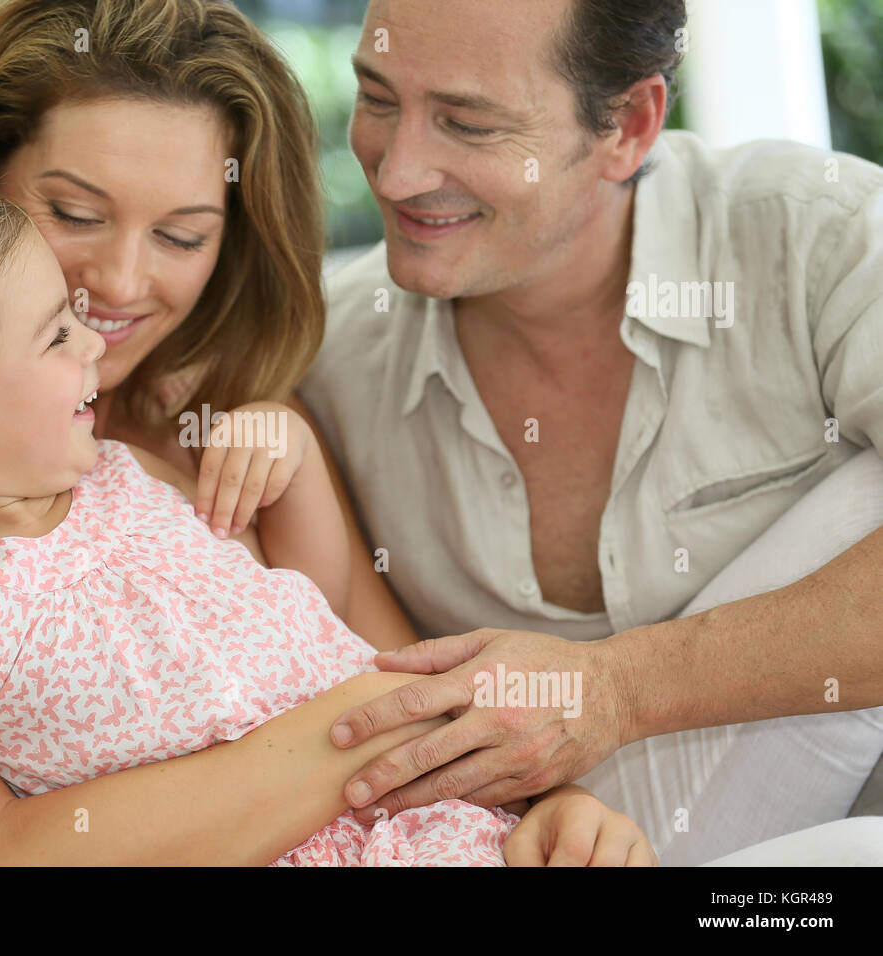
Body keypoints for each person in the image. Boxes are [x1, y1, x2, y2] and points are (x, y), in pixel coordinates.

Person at [0, 0, 647, 866]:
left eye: (184, 232)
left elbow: (392, 680)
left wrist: (543, 820)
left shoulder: (212, 434)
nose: (121, 286)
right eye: (76, 213)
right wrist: (340, 741)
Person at [302, 0, 883, 865]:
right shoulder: (324, 358)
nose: (396, 172)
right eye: (378, 99)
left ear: (629, 126)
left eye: (467, 123)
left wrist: (618, 688)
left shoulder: (818, 240)